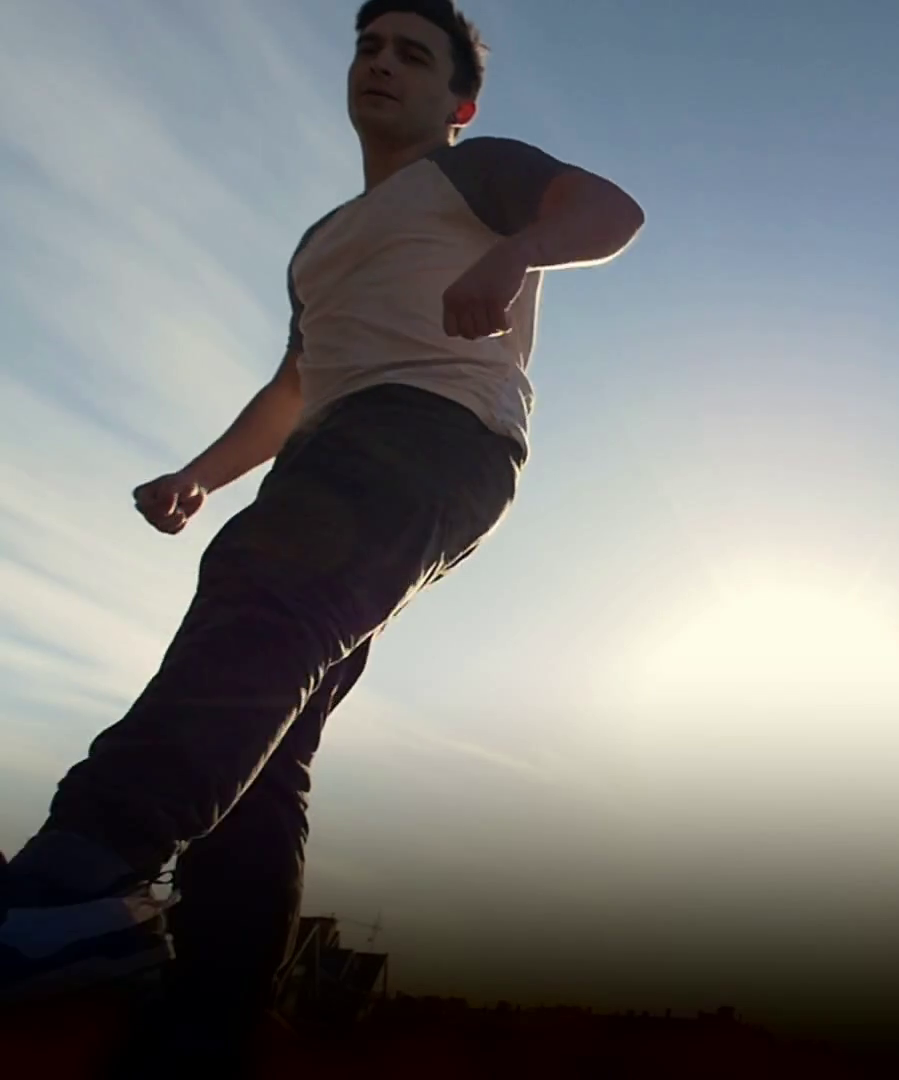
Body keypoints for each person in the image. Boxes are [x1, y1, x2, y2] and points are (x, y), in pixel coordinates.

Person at [0, 0, 643, 1058]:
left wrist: (519, 250)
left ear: (458, 103)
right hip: (332, 454)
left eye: (412, 54)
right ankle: (214, 1011)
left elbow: (613, 212)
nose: (381, 64)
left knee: (260, 594)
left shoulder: (475, 174)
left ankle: (78, 877)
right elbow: (299, 383)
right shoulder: (322, 243)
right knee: (274, 736)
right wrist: (200, 476)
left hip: (434, 435)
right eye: (369, 47)